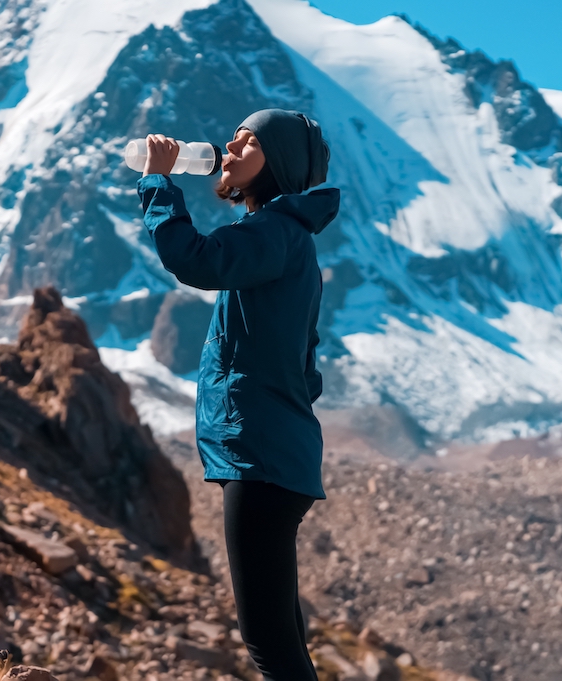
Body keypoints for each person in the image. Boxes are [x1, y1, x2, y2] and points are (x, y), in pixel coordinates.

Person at [136, 109, 339, 680]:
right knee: (283, 635)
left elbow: (196, 260)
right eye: (232, 137)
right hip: (276, 456)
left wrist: (157, 179)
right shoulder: (289, 238)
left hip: (262, 460)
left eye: (247, 142)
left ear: (277, 162)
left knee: (269, 644)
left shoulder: (275, 232)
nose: (228, 146)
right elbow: (306, 362)